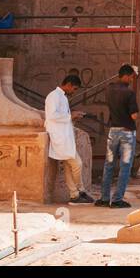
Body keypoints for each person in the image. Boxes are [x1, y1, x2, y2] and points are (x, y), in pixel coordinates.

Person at [45, 73, 92, 205]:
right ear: (69, 85)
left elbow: (63, 117)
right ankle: (81, 189)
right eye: (74, 89)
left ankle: (74, 195)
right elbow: (52, 116)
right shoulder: (53, 96)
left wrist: (73, 116)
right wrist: (71, 116)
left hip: (65, 137)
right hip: (59, 138)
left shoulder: (63, 98)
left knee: (68, 166)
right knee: (77, 164)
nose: (74, 91)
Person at [96, 64, 139, 209]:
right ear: (126, 76)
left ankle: (104, 198)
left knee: (108, 165)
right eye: (132, 77)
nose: (132, 80)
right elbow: (134, 115)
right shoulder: (129, 93)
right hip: (126, 132)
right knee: (125, 167)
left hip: (112, 131)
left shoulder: (108, 89)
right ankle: (117, 200)